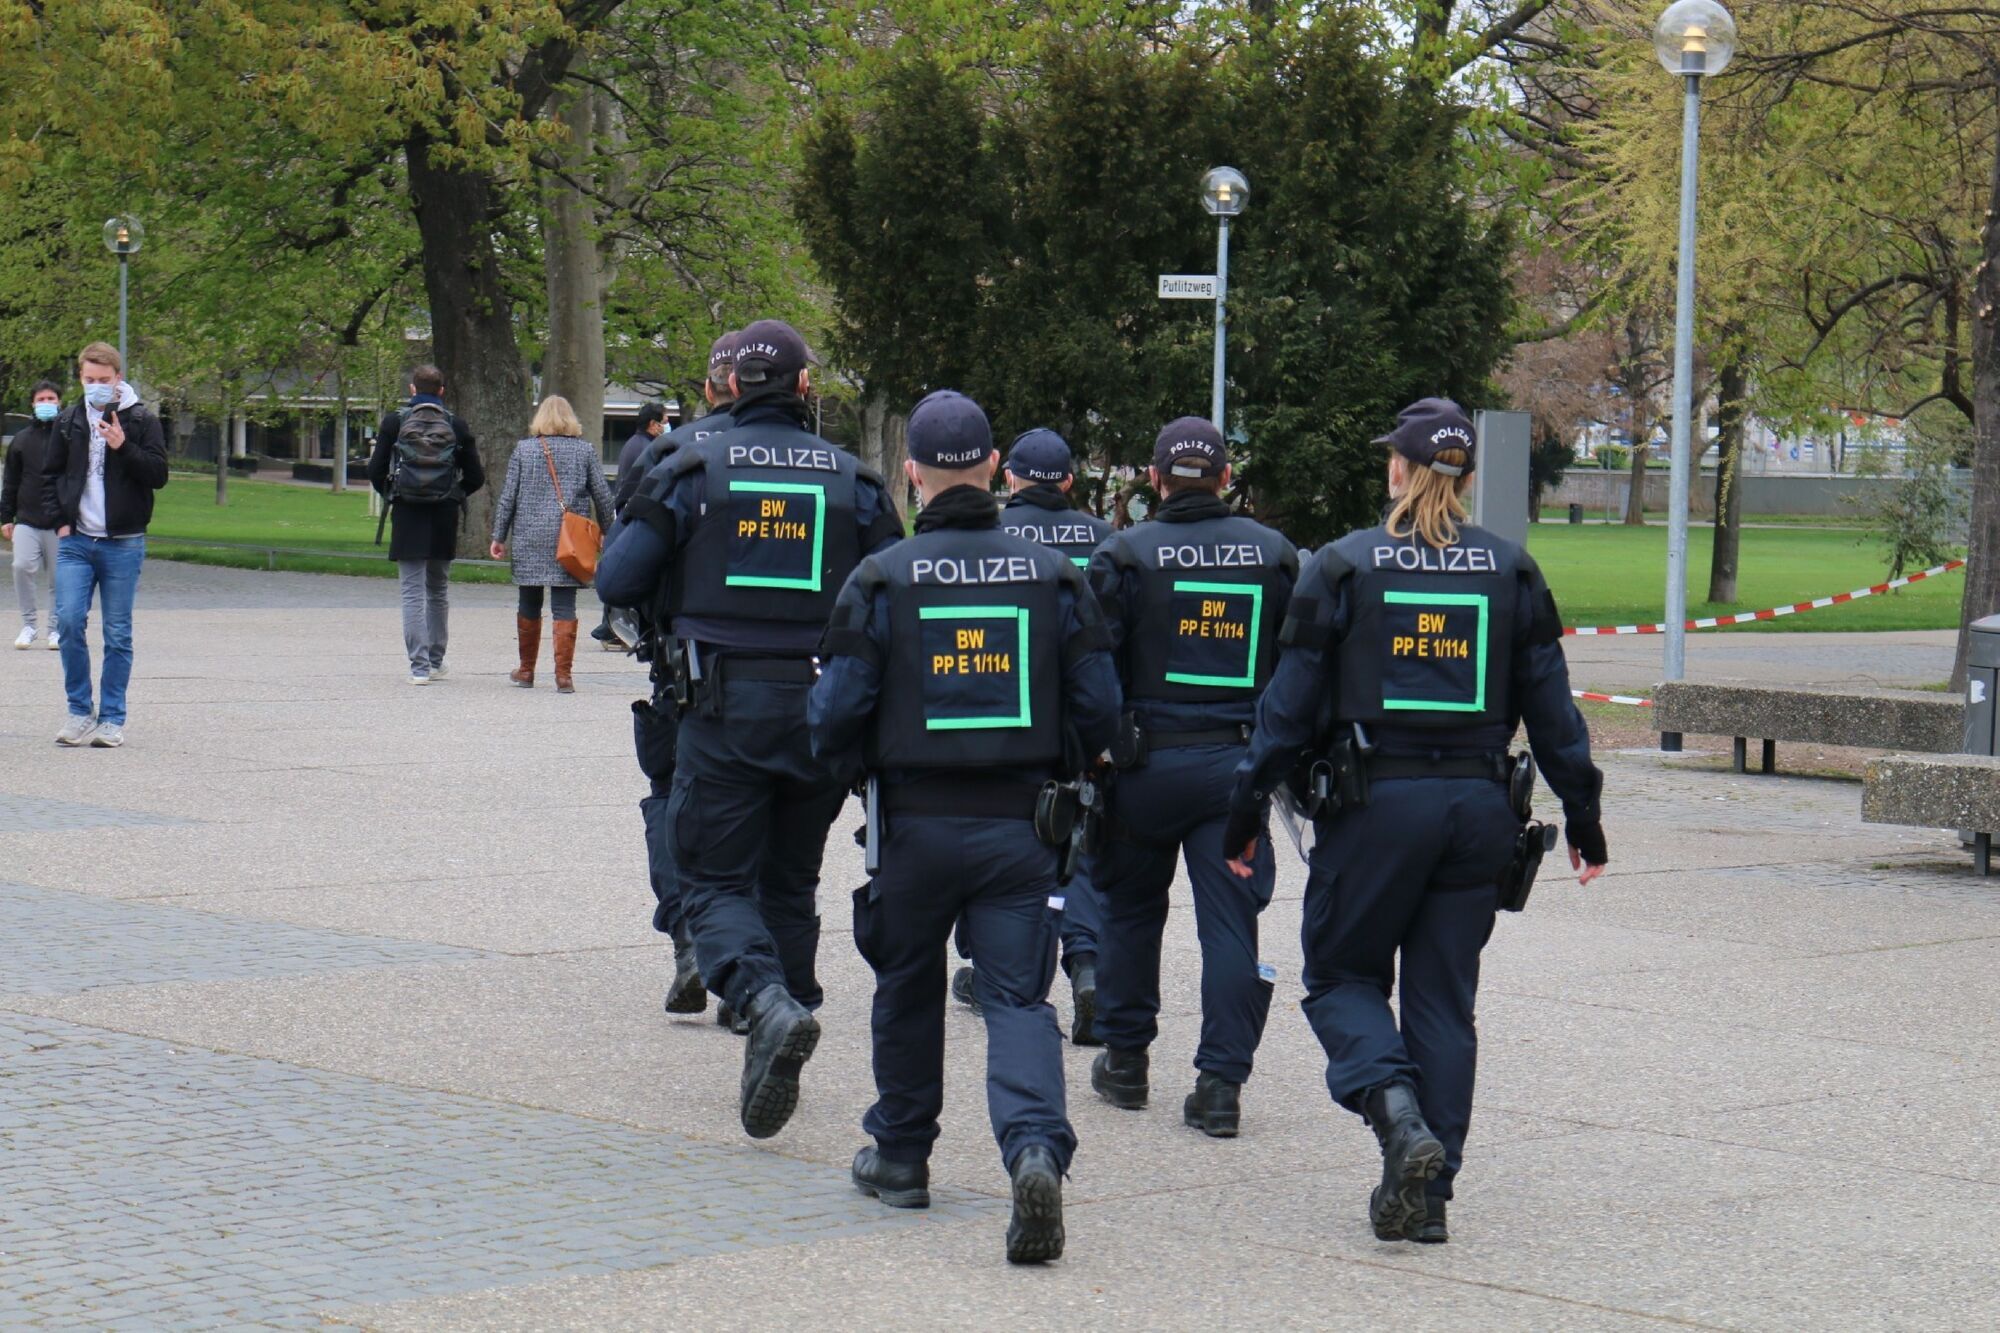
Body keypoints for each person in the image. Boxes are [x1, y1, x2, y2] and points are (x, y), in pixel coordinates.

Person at [1224, 397, 1607, 1243]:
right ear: (1463, 477)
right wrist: (1583, 813)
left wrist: (1246, 805)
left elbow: (1284, 711)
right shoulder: (1510, 571)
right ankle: (1430, 1198)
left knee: (1340, 976)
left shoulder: (1344, 566)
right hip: (1477, 812)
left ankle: (1399, 1120)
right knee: (1443, 1000)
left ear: (1396, 469)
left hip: (1373, 811)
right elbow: (1554, 712)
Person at [809, 390, 1121, 1265]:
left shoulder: (880, 577)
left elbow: (834, 715)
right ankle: (1030, 1151)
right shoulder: (1054, 575)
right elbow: (1101, 708)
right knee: (1018, 996)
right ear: (992, 468)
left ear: (913, 472)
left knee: (906, 983)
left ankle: (903, 1155)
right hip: (1023, 828)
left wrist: (841, 776)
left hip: (910, 825)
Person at [597, 317, 901, 1137]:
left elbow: (616, 578)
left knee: (714, 882)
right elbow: (897, 600)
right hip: (820, 713)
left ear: (731, 385)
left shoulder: (686, 465)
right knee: (791, 882)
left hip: (723, 709)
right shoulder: (856, 481)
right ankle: (779, 1021)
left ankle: (766, 1004)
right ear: (806, 388)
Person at [1083, 417, 1297, 1138]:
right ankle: (1219, 1086)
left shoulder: (1125, 553)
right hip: (1235, 767)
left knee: (1129, 912)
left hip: (1143, 764)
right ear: (1226, 479)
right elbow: (1299, 669)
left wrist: (1102, 749)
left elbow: (1091, 667)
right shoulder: (1274, 555)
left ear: (1154, 479)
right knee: (1230, 924)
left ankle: (1125, 1061)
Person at [951, 427, 1115, 1044]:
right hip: (1075, 717)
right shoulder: (1103, 538)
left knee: (992, 840)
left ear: (1009, 477)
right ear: (1069, 482)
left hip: (997, 713)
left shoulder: (990, 537)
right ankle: (1088, 965)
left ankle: (989, 964)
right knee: (1082, 844)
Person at [44, 342, 169, 749]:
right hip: (76, 541)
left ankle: (112, 718)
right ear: (80, 378)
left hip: (123, 542)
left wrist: (122, 446)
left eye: (103, 380)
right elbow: (50, 475)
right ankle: (80, 711)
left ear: (117, 377)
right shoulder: (69, 419)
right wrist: (61, 522)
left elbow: (157, 474)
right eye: (88, 380)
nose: (95, 387)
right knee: (67, 622)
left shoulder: (141, 418)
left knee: (117, 633)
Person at [489, 394, 615, 694]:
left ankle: (526, 670)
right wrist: (610, 532)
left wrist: (498, 535)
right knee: (564, 605)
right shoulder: (584, 451)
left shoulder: (524, 450)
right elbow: (603, 495)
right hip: (569, 540)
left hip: (529, 537)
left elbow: (509, 496)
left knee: (528, 602)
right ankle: (563, 676)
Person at [368, 365, 485, 685]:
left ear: (411, 389)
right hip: (443, 513)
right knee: (437, 589)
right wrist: (453, 494)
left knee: (411, 591)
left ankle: (417, 667)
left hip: (407, 512)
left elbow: (376, 469)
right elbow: (476, 476)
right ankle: (436, 660)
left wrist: (392, 493)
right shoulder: (455, 425)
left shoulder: (396, 422)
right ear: (442, 391)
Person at [616, 331, 742, 518]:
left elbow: (627, 533)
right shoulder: (790, 448)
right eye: (665, 422)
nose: (666, 426)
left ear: (708, 390)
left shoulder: (666, 449)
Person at [594, 401, 669, 649]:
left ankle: (612, 625)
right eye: (665, 420)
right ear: (653, 424)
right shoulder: (649, 449)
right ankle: (616, 627)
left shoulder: (633, 444)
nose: (667, 425)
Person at [3, 381, 66, 651]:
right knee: (20, 567)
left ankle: (55, 628)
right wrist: (6, 516)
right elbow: (11, 481)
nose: (46, 403)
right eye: (41, 398)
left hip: (60, 521)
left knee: (60, 577)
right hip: (27, 518)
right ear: (32, 403)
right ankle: (29, 625)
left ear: (59, 402)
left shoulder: (67, 437)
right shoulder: (21, 440)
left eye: (51, 398)